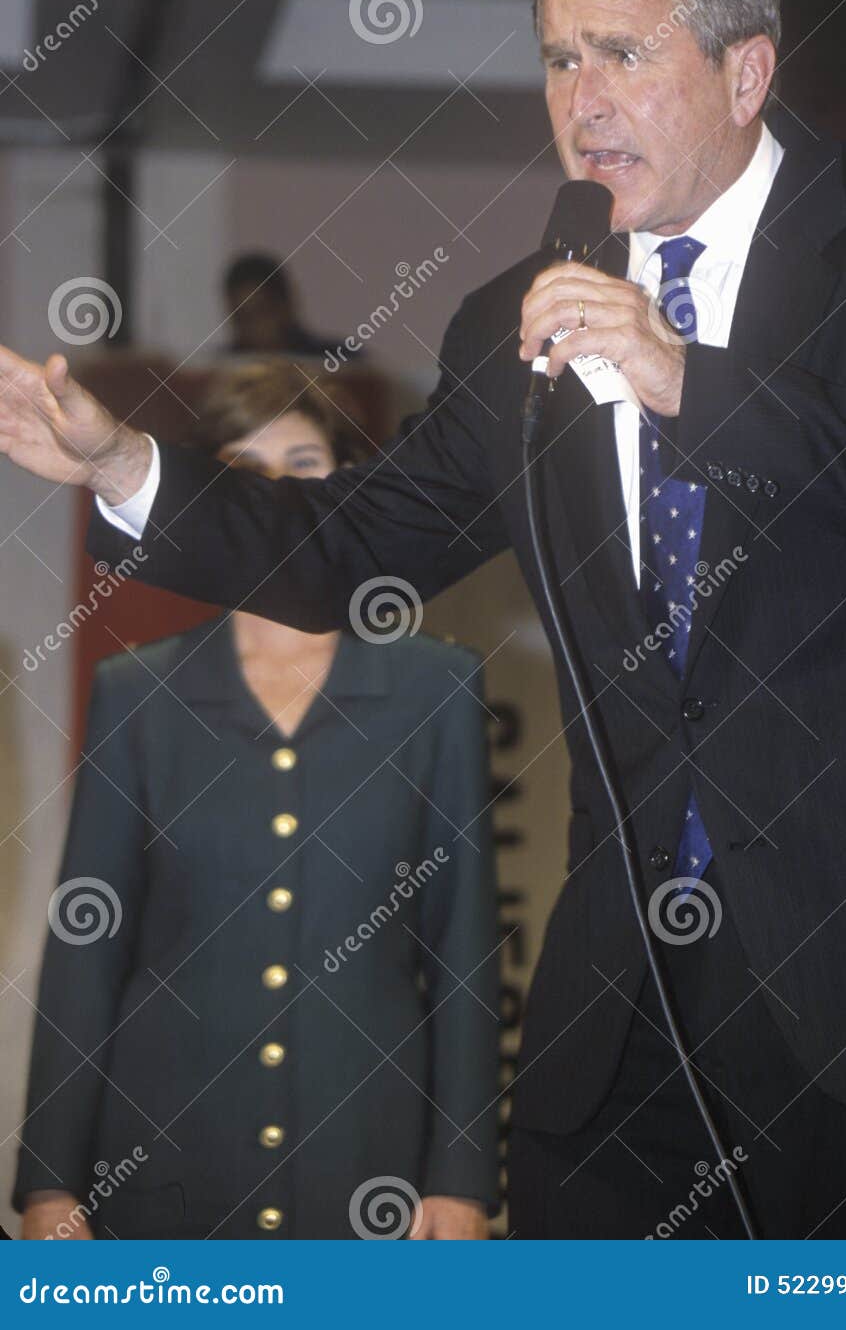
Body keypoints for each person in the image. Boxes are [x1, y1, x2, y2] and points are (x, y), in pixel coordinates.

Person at [2, 0, 846, 1238]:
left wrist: (683, 377)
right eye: (560, 58)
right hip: (623, 1019)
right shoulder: (514, 321)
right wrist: (123, 469)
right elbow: (348, 547)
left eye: (622, 52)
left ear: (745, 71)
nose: (582, 99)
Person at [13, 363, 498, 1240]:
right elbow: (87, 951)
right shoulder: (137, 694)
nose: (274, 490)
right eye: (245, 468)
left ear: (350, 485)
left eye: (303, 464)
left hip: (370, 1166)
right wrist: (49, 1182)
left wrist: (462, 1179)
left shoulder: (436, 688)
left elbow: (464, 950)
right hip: (163, 1163)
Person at [222, 252, 340, 360]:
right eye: (241, 317)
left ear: (285, 306)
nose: (252, 327)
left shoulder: (337, 360)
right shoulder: (221, 367)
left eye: (261, 312)